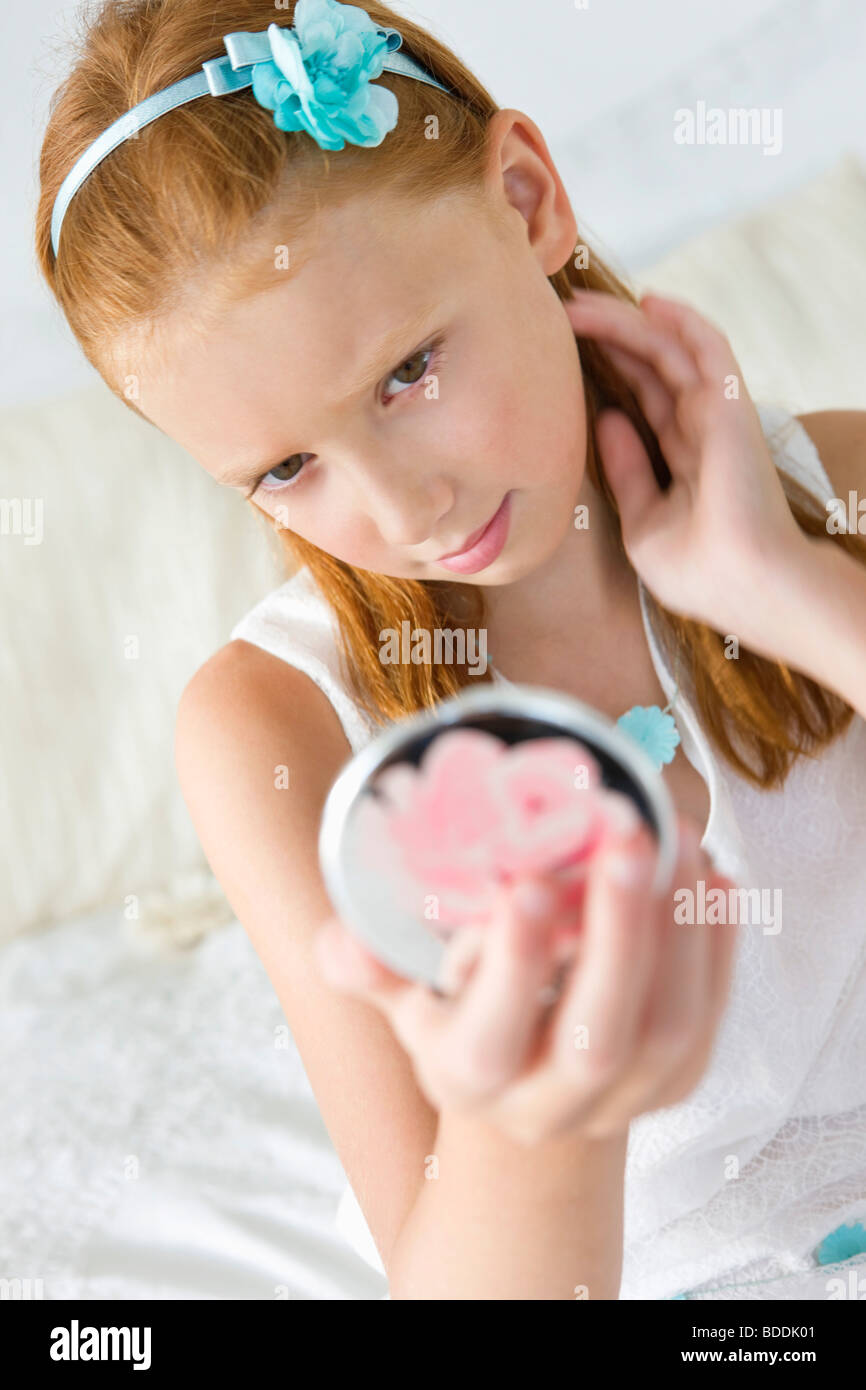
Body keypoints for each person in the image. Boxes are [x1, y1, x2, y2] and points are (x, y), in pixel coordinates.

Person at [36, 0, 866, 1299]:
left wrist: (791, 591)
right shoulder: (280, 730)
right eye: (288, 467)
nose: (403, 510)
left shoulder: (835, 484)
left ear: (527, 198)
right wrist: (545, 1104)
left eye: (407, 371)